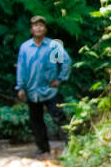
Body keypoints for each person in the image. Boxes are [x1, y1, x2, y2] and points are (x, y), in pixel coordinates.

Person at [15, 15, 71, 157]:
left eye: (41, 25)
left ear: (45, 29)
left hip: (50, 90)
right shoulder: (25, 47)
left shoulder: (53, 45)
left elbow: (66, 61)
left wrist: (60, 78)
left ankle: (71, 145)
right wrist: (20, 87)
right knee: (36, 121)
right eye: (35, 25)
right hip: (32, 90)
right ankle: (43, 148)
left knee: (59, 117)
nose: (38, 28)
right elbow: (21, 68)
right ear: (31, 29)